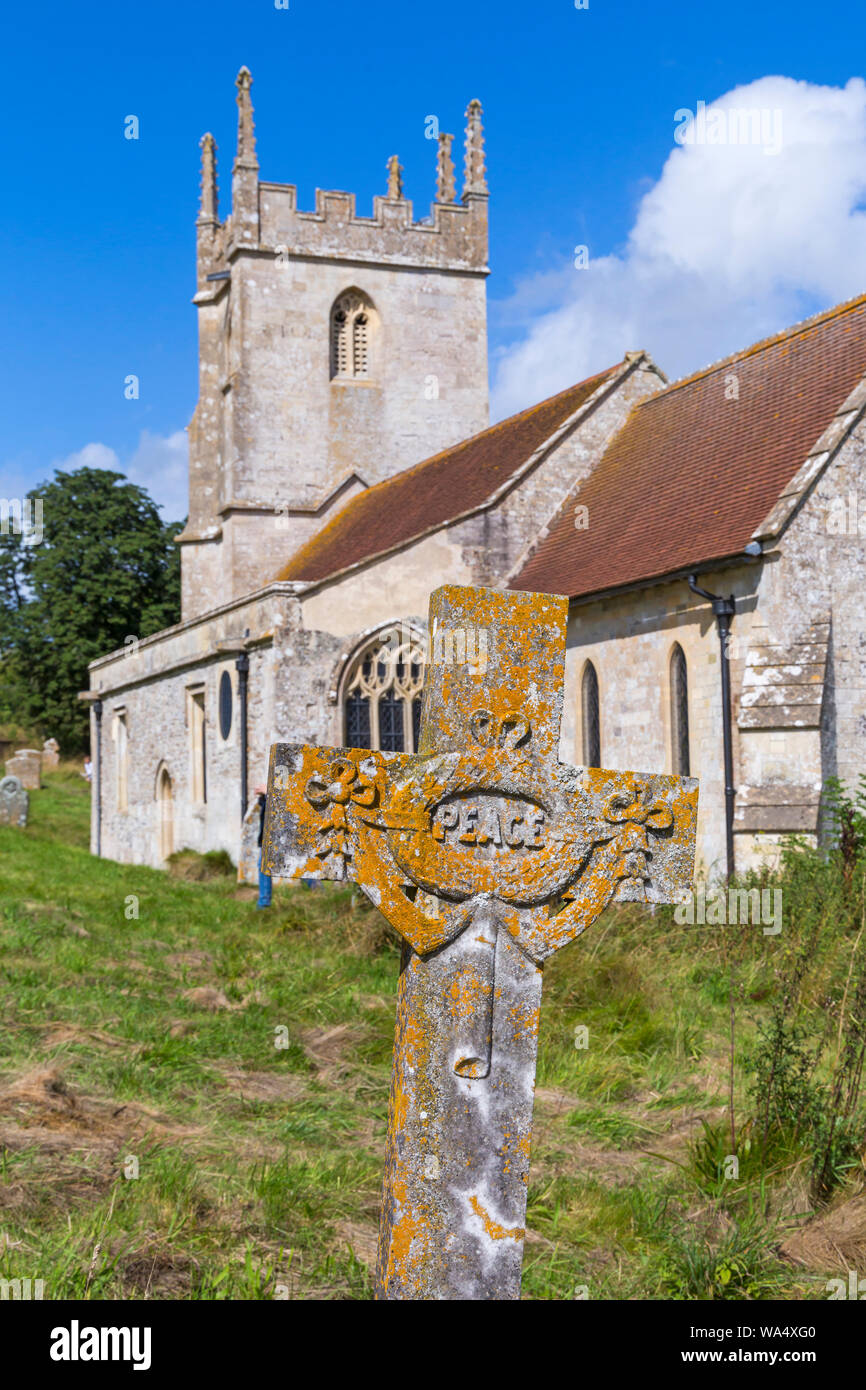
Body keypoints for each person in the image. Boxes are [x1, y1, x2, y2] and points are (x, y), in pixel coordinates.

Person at [252, 784, 272, 909]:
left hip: (275, 836)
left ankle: (264, 903)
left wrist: (268, 792)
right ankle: (316, 888)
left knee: (263, 866)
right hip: (267, 837)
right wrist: (263, 795)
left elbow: (283, 803)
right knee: (262, 866)